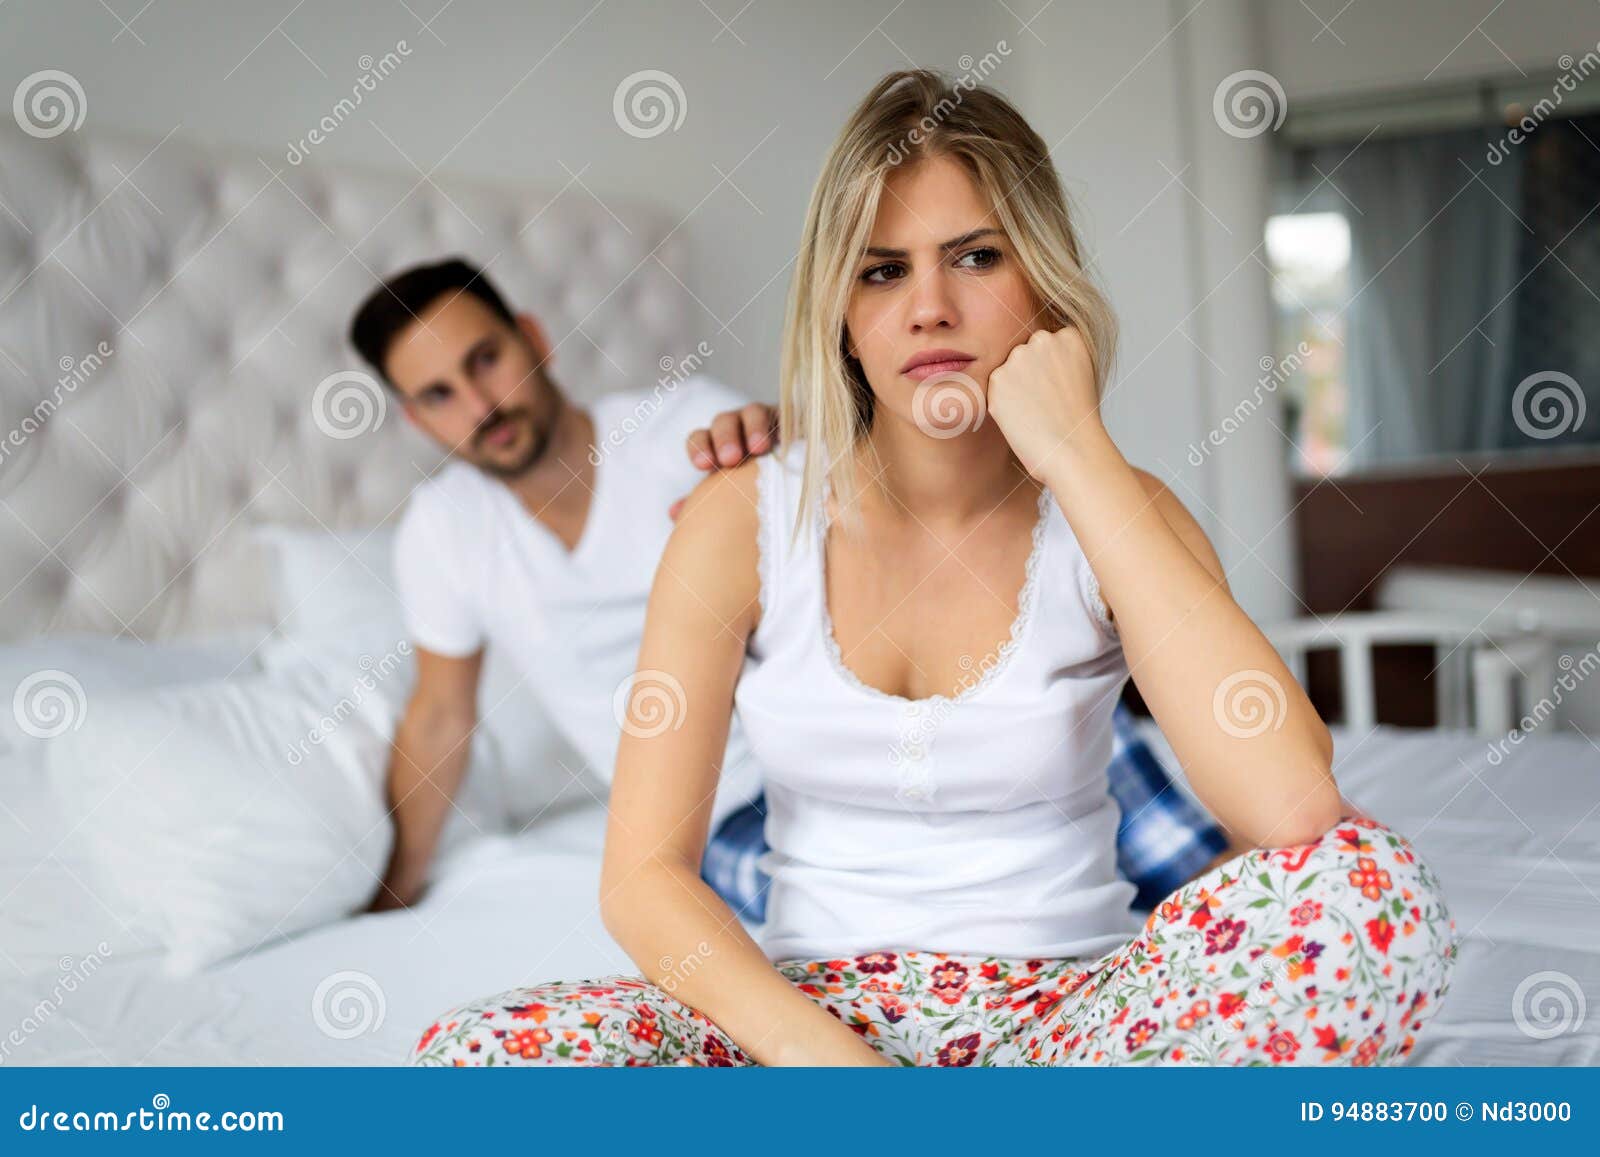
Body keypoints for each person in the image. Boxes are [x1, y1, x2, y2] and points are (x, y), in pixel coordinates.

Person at [408, 71, 1458, 1068]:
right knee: (479, 1059)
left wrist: (1078, 454)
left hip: (1069, 1027)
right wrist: (838, 1072)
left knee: (1368, 892)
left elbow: (1289, 808)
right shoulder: (742, 514)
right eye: (882, 270)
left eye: (976, 257)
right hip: (811, 1027)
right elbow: (642, 877)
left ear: (1042, 279)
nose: (929, 308)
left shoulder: (1116, 507)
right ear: (842, 312)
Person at [351, 259, 1243, 918]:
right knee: (902, 917)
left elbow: (861, 513)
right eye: (439, 394)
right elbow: (440, 716)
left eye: (486, 360)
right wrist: (392, 893)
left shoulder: (684, 429)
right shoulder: (441, 533)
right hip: (731, 806)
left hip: (865, 719)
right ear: (413, 417)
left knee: (1222, 884)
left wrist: (790, 444)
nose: (480, 405)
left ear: (532, 339)